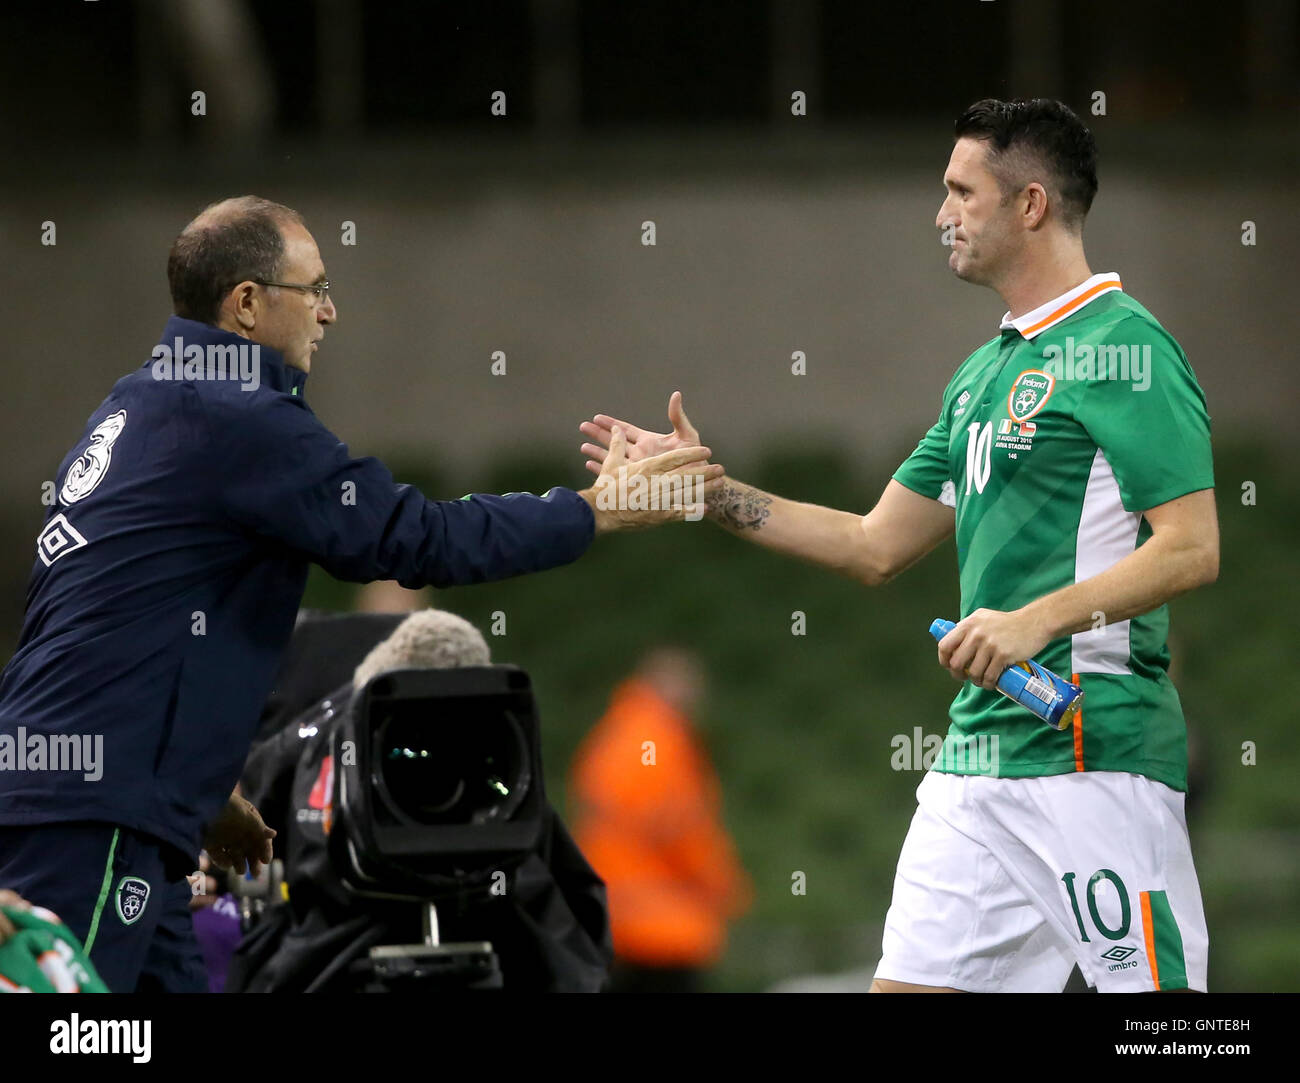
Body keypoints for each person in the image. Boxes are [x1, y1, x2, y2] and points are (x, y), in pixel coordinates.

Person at [0, 195, 720, 993]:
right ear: (245, 303)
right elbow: (417, 537)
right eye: (314, 289)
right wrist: (592, 510)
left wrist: (200, 790)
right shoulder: (237, 415)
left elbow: (112, 626)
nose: (330, 312)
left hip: (111, 805)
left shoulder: (137, 406)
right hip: (97, 818)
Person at [579, 99, 1218, 993]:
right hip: (976, 763)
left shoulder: (1126, 349)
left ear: (1030, 204)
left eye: (961, 191)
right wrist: (701, 489)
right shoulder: (983, 373)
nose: (941, 213)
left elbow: (1191, 549)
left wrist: (1035, 620)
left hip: (1092, 752)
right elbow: (871, 543)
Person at [568, 647, 752, 992]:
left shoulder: (613, 735)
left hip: (612, 916)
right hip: (663, 925)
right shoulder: (662, 743)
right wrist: (722, 886)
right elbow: (680, 829)